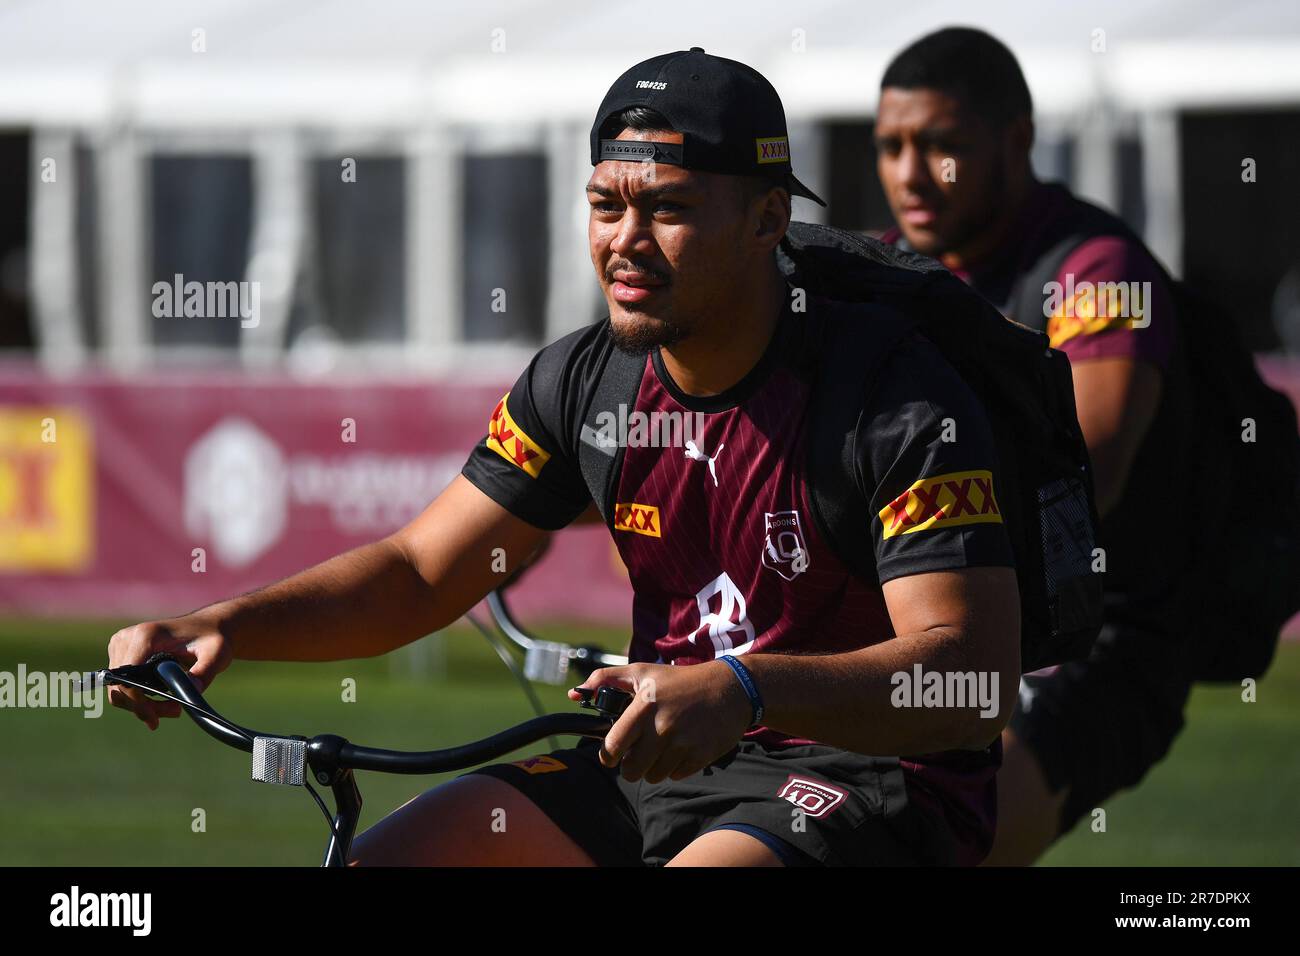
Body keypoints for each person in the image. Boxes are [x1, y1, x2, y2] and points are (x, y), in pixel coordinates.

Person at [109, 48, 1020, 867]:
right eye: (604, 204)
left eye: (669, 208)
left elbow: (971, 680)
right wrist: (224, 624)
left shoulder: (894, 396)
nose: (624, 240)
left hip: (862, 778)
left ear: (765, 219)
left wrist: (741, 689)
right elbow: (422, 571)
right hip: (648, 761)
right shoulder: (585, 381)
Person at [874, 26, 1199, 863]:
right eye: (891, 146)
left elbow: (1091, 480)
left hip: (1097, 640)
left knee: (932, 848)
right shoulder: (877, 275)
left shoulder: (1098, 269)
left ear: (1016, 140)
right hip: (934, 619)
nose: (912, 173)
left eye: (942, 145)